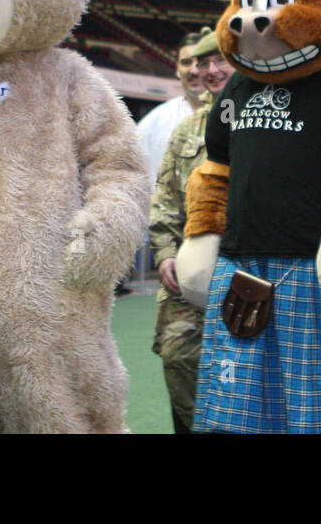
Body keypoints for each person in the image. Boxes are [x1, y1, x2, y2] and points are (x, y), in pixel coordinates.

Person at [149, 29, 230, 433]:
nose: (210, 71)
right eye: (203, 64)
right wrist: (164, 251)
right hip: (189, 279)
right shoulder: (186, 130)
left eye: (220, 60)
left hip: (252, 272)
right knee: (179, 359)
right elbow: (164, 199)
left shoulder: (271, 117)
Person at [137, 31, 211, 184]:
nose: (193, 70)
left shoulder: (232, 115)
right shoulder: (154, 122)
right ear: (177, 69)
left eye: (201, 62)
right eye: (186, 62)